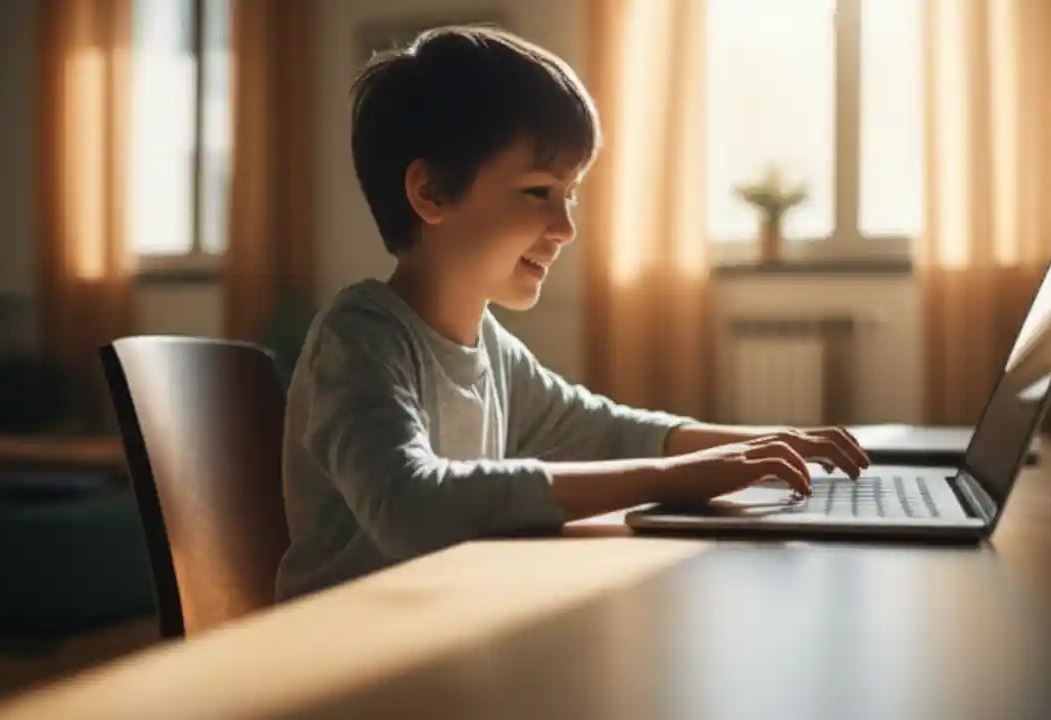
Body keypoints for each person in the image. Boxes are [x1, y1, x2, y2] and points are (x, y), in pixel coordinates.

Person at [276, 26, 869, 600]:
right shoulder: (359, 338)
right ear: (430, 192)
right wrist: (674, 478)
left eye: (571, 195)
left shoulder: (490, 345)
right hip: (344, 669)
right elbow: (409, 505)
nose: (565, 228)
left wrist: (767, 447)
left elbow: (605, 431)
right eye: (539, 192)